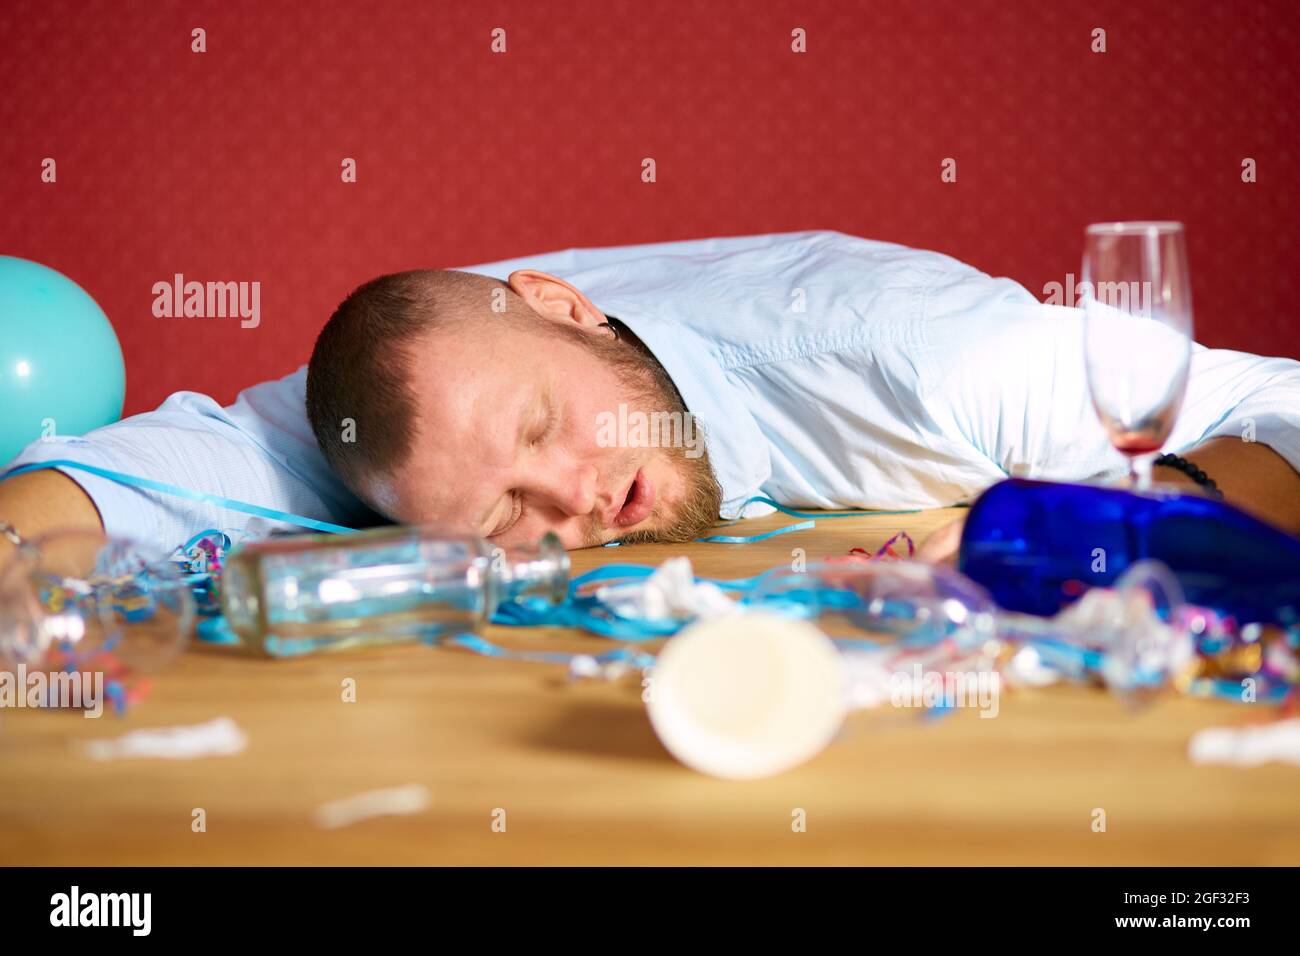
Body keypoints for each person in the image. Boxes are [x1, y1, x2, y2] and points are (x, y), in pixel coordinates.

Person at [3, 231, 1300, 569]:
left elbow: (1280, 412)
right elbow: (149, 474)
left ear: (564, 304)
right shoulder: (439, 394)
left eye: (540, 436)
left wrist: (1141, 512)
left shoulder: (922, 357)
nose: (573, 500)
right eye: (509, 516)